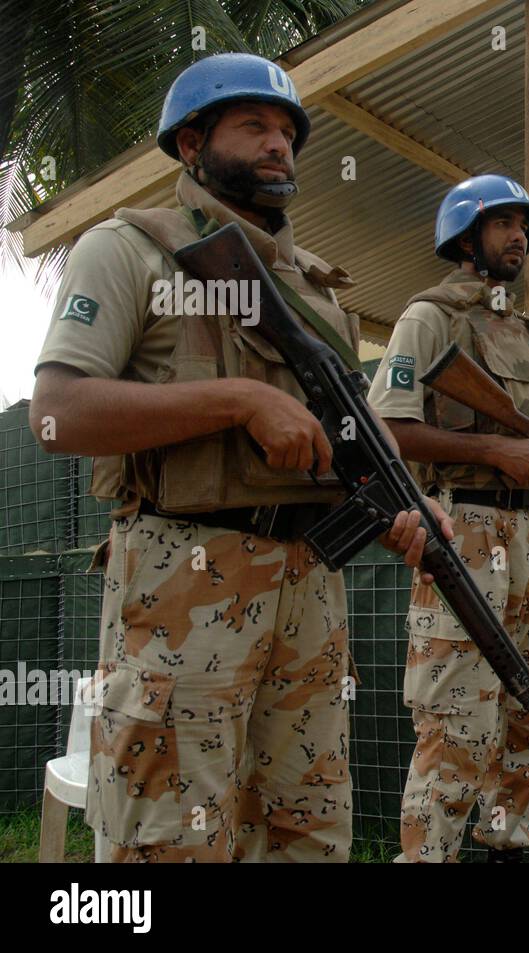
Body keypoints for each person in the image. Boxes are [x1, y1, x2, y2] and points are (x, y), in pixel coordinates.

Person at [28, 52, 451, 862]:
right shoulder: (129, 251)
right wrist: (239, 400)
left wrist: (410, 496)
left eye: (288, 132)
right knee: (169, 839)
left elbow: (367, 424)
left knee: (308, 829)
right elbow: (58, 414)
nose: (278, 146)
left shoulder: (318, 291)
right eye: (254, 125)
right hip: (183, 582)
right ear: (191, 144)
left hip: (310, 590)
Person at [367, 174, 529, 863]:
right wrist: (490, 449)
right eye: (503, 222)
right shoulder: (430, 317)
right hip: (466, 530)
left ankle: (505, 846)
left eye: (524, 225)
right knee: (457, 725)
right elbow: (386, 430)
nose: (519, 236)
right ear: (465, 235)